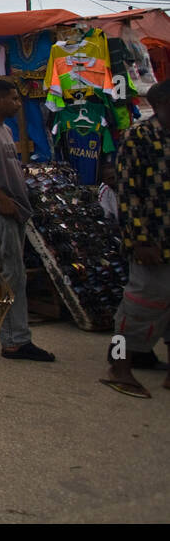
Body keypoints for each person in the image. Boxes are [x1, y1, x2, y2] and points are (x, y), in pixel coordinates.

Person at [0, 78, 54, 362]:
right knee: (8, 276)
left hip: (11, 210)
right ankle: (15, 340)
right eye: (14, 99)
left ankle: (14, 335)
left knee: (11, 274)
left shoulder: (4, 129)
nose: (18, 105)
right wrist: (1, 199)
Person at [101, 80, 170, 398]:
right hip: (151, 240)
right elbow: (128, 193)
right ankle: (118, 365)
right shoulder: (138, 137)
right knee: (137, 307)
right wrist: (140, 240)